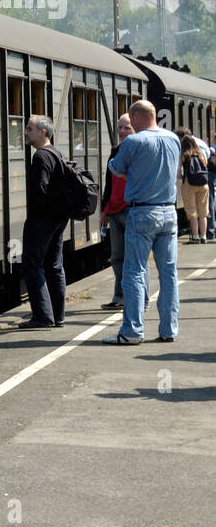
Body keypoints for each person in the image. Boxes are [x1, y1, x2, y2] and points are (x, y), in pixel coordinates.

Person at [105, 100, 180, 345]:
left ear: (136, 116)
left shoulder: (134, 142)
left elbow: (116, 169)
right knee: (168, 273)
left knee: (134, 271)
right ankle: (169, 329)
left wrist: (135, 175)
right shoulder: (173, 139)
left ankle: (132, 331)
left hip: (142, 212)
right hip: (169, 212)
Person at [18, 115, 70, 329]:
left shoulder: (40, 157)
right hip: (59, 218)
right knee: (55, 265)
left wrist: (37, 216)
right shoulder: (58, 153)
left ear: (43, 132)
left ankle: (42, 316)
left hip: (42, 220)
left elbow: (40, 190)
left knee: (33, 264)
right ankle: (58, 315)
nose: (25, 132)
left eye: (29, 129)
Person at [100, 114, 133, 309]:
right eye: (120, 127)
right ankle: (119, 296)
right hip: (114, 210)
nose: (121, 132)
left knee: (134, 257)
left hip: (131, 209)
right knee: (117, 256)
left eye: (126, 128)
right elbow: (108, 184)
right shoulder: (115, 151)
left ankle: (140, 297)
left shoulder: (138, 151)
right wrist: (104, 209)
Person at [179, 133, 209, 243]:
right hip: (203, 184)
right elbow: (206, 165)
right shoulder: (201, 154)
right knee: (203, 212)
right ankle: (204, 236)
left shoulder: (184, 154)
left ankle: (195, 236)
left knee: (192, 211)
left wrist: (182, 177)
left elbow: (178, 173)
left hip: (189, 184)